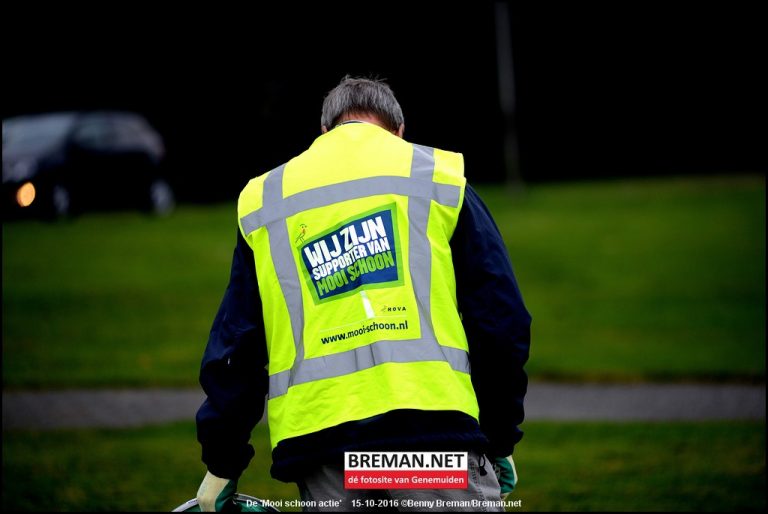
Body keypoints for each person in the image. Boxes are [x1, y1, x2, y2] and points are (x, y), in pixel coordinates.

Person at [194, 76, 531, 512]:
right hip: (428, 442)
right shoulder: (435, 177)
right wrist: (500, 433)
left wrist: (222, 461)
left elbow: (235, 348)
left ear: (324, 132)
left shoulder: (268, 199)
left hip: (323, 449)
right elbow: (500, 321)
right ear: (398, 131)